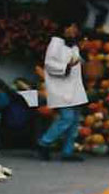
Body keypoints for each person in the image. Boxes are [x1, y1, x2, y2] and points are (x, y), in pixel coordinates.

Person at [37, 22, 87, 162]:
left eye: (76, 28)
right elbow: (49, 63)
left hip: (74, 87)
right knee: (67, 117)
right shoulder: (56, 43)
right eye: (72, 27)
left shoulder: (73, 44)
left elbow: (77, 61)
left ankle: (67, 151)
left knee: (75, 119)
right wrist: (66, 67)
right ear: (64, 28)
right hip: (61, 87)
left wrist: (81, 55)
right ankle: (44, 142)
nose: (74, 31)